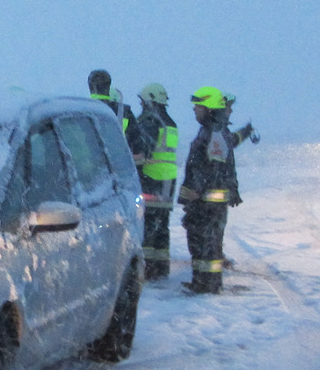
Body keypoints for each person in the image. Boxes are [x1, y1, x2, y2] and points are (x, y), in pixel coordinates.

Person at [178, 86, 241, 294]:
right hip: (207, 202)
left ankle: (207, 285)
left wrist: (194, 191)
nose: (194, 109)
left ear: (209, 108)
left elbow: (210, 167)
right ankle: (203, 282)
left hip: (207, 203)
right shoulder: (213, 130)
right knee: (204, 244)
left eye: (198, 106)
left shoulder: (213, 132)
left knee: (207, 245)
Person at [126, 83, 181, 279]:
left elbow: (142, 152)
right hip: (167, 183)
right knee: (162, 228)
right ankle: (161, 268)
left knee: (148, 228)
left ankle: (147, 270)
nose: (141, 105)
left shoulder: (150, 122)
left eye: (143, 102)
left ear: (150, 101)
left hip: (151, 181)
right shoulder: (170, 124)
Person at [87, 69, 135, 134]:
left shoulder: (84, 111)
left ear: (91, 87)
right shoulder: (124, 111)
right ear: (108, 86)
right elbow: (137, 137)